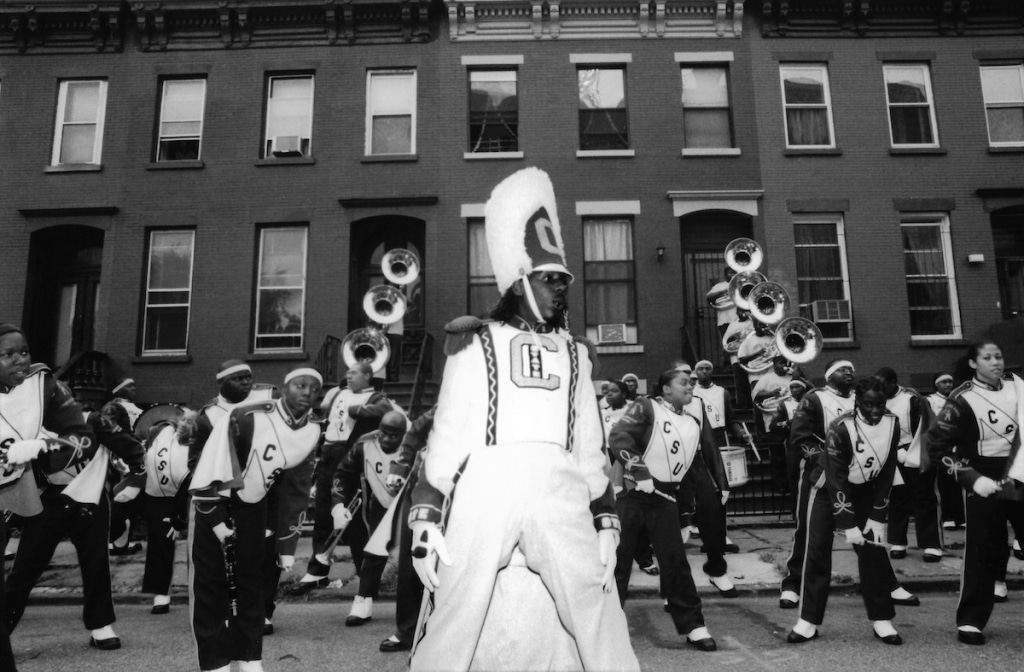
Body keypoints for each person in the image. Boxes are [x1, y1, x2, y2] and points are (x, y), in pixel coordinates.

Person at [407, 167, 638, 672]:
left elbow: (588, 447)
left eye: (563, 281)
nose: (560, 289)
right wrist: (426, 519)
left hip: (557, 484)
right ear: (519, 282)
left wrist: (604, 515)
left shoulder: (577, 354)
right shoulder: (473, 342)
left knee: (595, 609)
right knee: (456, 611)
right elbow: (446, 440)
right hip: (487, 484)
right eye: (549, 279)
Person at [188, 367, 323, 672]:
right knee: (211, 586)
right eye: (300, 385)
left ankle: (249, 658)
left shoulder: (312, 430)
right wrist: (218, 520)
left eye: (315, 389)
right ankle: (215, 663)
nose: (307, 393)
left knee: (251, 584)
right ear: (284, 388)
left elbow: (296, 488)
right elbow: (215, 462)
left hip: (255, 507)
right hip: (217, 502)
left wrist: (287, 545)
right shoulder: (249, 416)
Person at [779, 359, 920, 611]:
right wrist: (829, 459)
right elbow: (799, 438)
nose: (849, 372)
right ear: (829, 375)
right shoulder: (814, 398)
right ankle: (793, 584)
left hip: (861, 476)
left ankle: (887, 583)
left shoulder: (863, 399)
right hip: (821, 475)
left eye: (852, 369)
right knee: (809, 533)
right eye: (843, 369)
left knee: (869, 536)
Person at [609, 367, 729, 651]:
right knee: (619, 560)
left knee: (675, 561)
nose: (690, 387)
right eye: (684, 383)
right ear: (665, 389)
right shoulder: (645, 406)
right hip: (632, 492)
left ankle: (694, 625)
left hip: (664, 498)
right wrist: (640, 473)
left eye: (692, 384)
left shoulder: (693, 422)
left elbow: (686, 471)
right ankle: (606, 626)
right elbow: (619, 437)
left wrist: (686, 512)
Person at [788, 377, 904, 645]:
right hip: (827, 488)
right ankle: (807, 621)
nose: (875, 411)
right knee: (816, 551)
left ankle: (882, 619)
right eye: (868, 405)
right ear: (857, 402)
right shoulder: (840, 427)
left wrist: (877, 514)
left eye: (880, 404)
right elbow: (836, 477)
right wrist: (848, 523)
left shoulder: (893, 423)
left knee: (873, 551)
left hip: (866, 489)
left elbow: (887, 471)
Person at [0, 325, 89, 661]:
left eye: (24, 351)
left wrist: (43, 446)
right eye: (9, 354)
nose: (21, 360)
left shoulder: (44, 387)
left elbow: (83, 439)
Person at [926, 340, 1023, 646]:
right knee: (983, 546)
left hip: (1020, 471)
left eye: (999, 356)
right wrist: (971, 478)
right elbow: (936, 447)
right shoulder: (962, 398)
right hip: (984, 476)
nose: (996, 362)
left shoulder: (1019, 388)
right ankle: (971, 620)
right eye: (987, 357)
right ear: (973, 363)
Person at [292, 362, 393, 593]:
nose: (348, 375)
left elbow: (386, 412)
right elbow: (326, 411)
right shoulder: (338, 391)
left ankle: (367, 578)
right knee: (323, 515)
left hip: (351, 460)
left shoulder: (377, 396)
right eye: (347, 372)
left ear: (368, 376)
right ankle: (317, 571)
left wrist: (357, 410)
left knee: (355, 521)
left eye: (354, 373)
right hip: (329, 455)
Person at [330, 410, 408, 627]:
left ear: (403, 434)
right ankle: (363, 601)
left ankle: (419, 607)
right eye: (383, 432)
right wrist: (338, 505)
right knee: (373, 551)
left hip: (408, 505)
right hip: (381, 503)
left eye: (394, 435)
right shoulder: (364, 444)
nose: (386, 439)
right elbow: (342, 474)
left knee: (412, 556)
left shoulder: (415, 446)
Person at [377, 405, 435, 653]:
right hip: (426, 482)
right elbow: (416, 432)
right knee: (414, 558)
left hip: (473, 483)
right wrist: (400, 469)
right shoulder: (454, 396)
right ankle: (408, 630)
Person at [876, 367, 941, 563]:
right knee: (897, 498)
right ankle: (897, 541)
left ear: (893, 382)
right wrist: (894, 452)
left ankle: (931, 544)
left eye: (883, 384)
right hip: (891, 454)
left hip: (915, 452)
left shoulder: (912, 399)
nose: (879, 388)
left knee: (924, 498)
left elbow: (927, 427)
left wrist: (913, 451)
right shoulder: (876, 401)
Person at [604, 380, 657, 576]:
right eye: (607, 391)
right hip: (609, 463)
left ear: (625, 394)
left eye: (615, 391)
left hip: (630, 465)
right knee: (617, 516)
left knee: (638, 514)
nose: (609, 394)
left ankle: (644, 557)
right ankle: (616, 562)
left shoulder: (634, 411)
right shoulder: (602, 413)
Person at [106, 376, 145, 556]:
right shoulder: (115, 408)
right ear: (118, 389)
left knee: (127, 499)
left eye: (134, 385)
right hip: (122, 458)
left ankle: (121, 541)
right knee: (122, 497)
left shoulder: (124, 408)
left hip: (130, 456)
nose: (134, 388)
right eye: (129, 386)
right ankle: (117, 541)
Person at [927, 372, 964, 531]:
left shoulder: (957, 399)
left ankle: (960, 517)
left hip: (956, 444)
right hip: (940, 445)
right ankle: (948, 517)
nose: (948, 385)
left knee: (958, 480)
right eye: (945, 382)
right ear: (937, 384)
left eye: (950, 382)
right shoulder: (930, 400)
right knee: (944, 483)